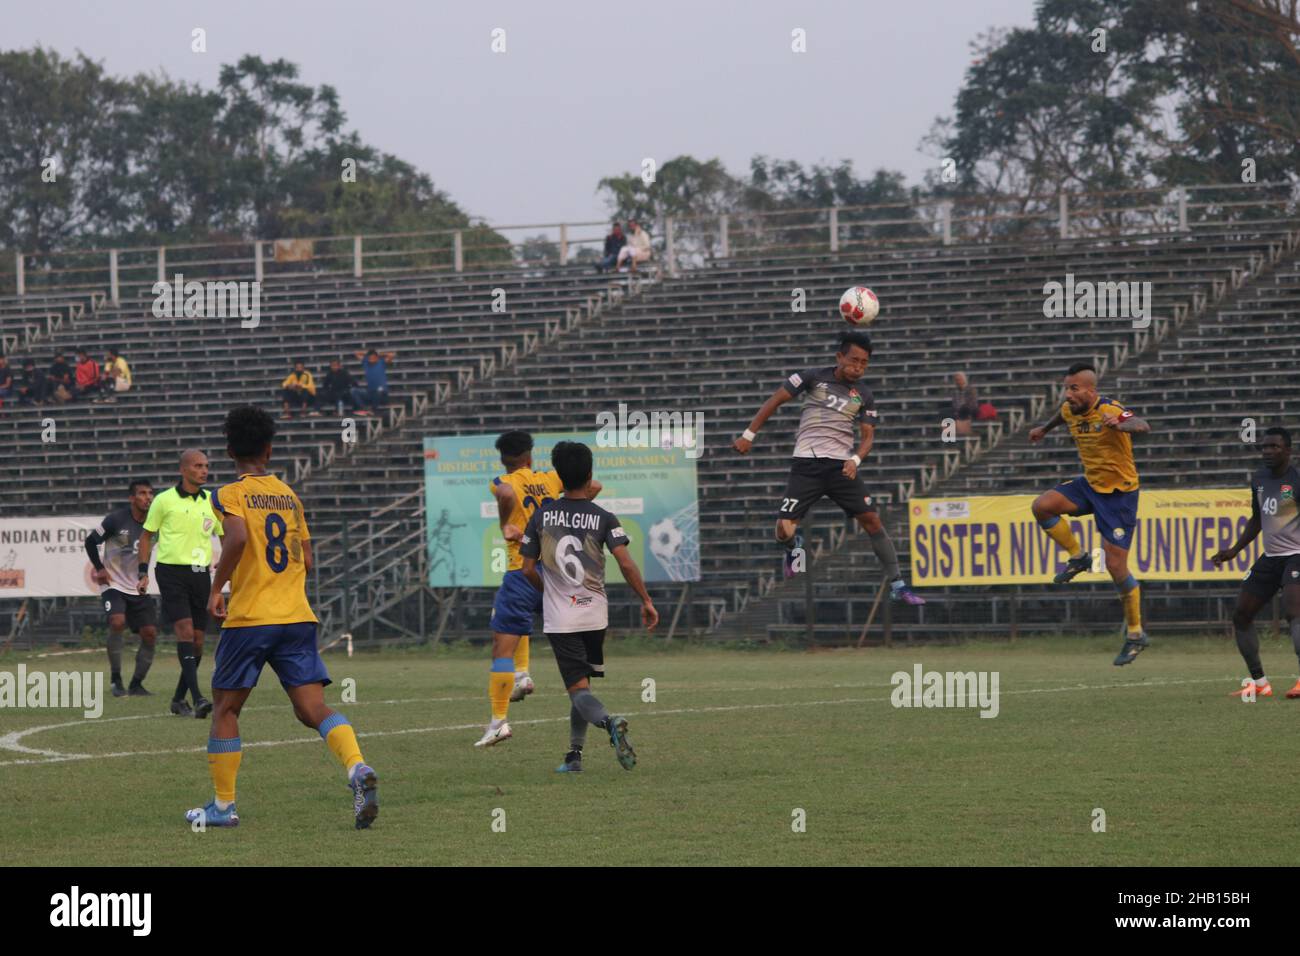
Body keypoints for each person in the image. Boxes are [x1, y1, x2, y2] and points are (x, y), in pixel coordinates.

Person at [190, 405, 378, 829]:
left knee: (225, 708)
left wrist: (218, 586)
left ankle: (222, 807)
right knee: (311, 706)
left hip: (252, 617)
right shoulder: (290, 496)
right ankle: (356, 767)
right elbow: (308, 559)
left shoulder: (228, 494)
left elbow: (236, 537)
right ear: (270, 450)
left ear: (229, 450)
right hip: (296, 615)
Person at [733, 330, 926, 604]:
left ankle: (899, 585)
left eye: (864, 363)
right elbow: (776, 400)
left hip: (840, 468)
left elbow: (868, 437)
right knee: (783, 529)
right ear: (839, 357)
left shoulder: (865, 395)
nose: (858, 367)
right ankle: (793, 548)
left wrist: (855, 460)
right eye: (854, 360)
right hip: (806, 466)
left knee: (872, 521)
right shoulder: (812, 377)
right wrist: (748, 435)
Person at [519, 440, 657, 773]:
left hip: (562, 618)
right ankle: (574, 756)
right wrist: (646, 600)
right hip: (595, 615)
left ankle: (609, 722)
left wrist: (547, 589)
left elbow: (527, 569)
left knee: (578, 689)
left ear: (558, 476)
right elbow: (625, 563)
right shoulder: (604, 517)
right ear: (590, 473)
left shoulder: (541, 516)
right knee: (582, 685)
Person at [474, 431, 602, 749]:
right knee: (564, 649)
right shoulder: (549, 478)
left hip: (523, 568)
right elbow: (594, 487)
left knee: (502, 642)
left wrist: (506, 524)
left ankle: (499, 722)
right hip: (557, 572)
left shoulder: (503, 480)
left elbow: (504, 495)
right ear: (530, 456)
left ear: (505, 459)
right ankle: (526, 678)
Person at [1028, 362, 1151, 665]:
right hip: (1090, 486)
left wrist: (1119, 424)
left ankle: (1136, 635)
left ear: (1091, 390)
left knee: (1115, 566)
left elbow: (1141, 425)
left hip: (1118, 495)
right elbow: (1063, 415)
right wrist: (1045, 428)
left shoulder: (1110, 408)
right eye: (1066, 387)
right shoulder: (1070, 409)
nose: (1068, 394)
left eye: (1074, 388)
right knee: (1042, 506)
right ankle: (1078, 556)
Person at [1211, 427, 1300, 698]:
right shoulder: (1259, 478)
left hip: (1297, 554)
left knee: (1295, 613)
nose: (1268, 451)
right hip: (1271, 557)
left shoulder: (1297, 478)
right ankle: (1260, 684)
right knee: (1241, 615)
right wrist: (1235, 550)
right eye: (1264, 447)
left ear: (1288, 450)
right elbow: (1258, 518)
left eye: (1274, 446)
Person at [137, 449, 223, 717]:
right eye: (198, 466)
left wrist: (227, 565)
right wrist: (143, 571)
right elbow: (146, 536)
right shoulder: (164, 500)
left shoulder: (213, 502)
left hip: (200, 575)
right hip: (171, 572)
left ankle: (177, 699)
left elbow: (225, 535)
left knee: (197, 642)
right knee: (185, 632)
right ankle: (197, 698)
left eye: (206, 466)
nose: (204, 470)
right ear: (183, 470)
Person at [85, 480, 160, 697]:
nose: (148, 497)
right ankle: (116, 679)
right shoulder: (116, 519)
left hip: (138, 586)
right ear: (132, 498)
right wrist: (100, 568)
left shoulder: (155, 524)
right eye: (142, 493)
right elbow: (91, 542)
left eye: (150, 493)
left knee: (150, 633)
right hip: (114, 584)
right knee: (117, 622)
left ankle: (136, 684)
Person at [351, 348, 395, 416]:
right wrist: (368, 353)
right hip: (370, 392)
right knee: (354, 390)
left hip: (381, 394)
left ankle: (374, 410)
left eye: (373, 358)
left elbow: (392, 355)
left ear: (377, 357)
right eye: (370, 358)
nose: (371, 359)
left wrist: (379, 353)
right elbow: (356, 353)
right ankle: (363, 409)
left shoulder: (381, 362)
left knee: (379, 391)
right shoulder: (366, 362)